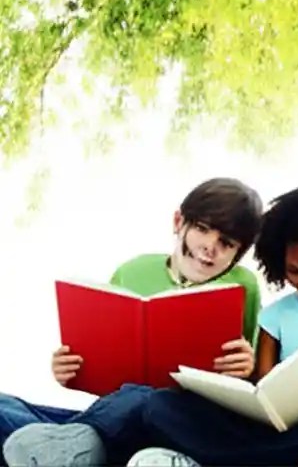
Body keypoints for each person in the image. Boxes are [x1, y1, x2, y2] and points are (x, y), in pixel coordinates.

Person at [131, 182, 298, 467]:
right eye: (294, 272)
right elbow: (261, 396)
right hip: (279, 429)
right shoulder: (275, 316)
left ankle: (232, 459)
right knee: (159, 405)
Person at [2, 178, 264, 467]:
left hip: (183, 421)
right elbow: (103, 368)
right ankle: (76, 443)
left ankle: (76, 446)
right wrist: (69, 370)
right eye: (202, 229)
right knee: (4, 409)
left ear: (238, 255)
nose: (209, 248)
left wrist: (246, 369)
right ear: (178, 221)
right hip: (117, 417)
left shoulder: (242, 286)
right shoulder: (132, 271)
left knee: (150, 399)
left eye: (226, 243)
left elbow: (253, 390)